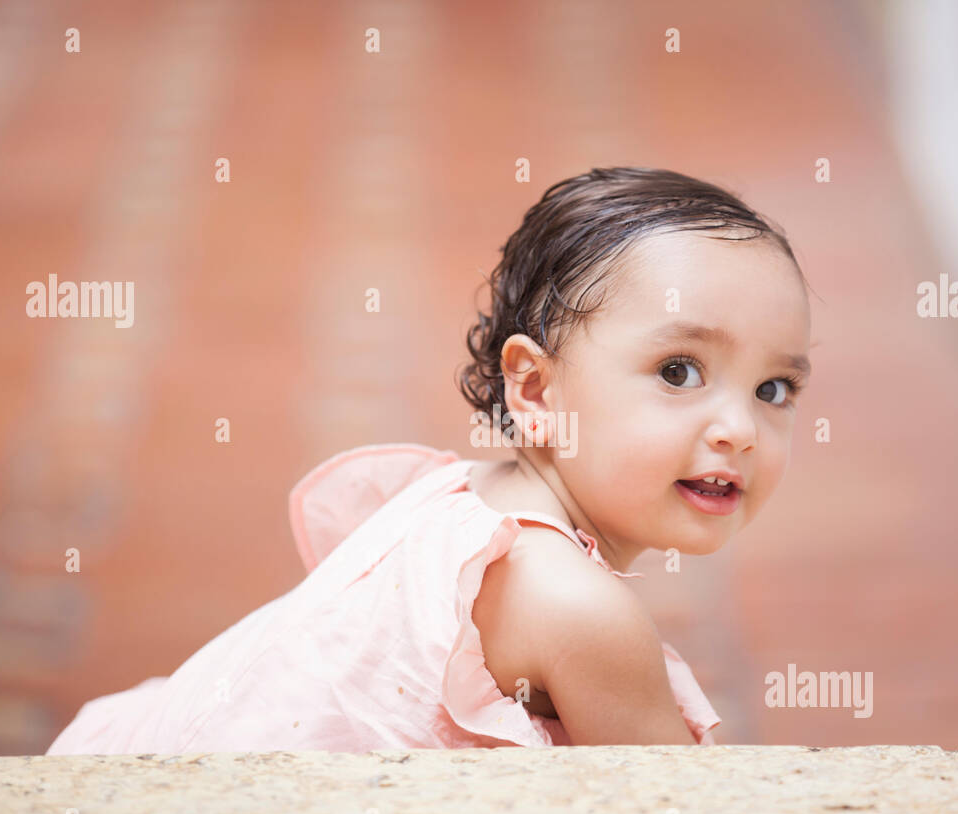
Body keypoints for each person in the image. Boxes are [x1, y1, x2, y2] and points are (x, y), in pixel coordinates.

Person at [46, 166, 812, 755]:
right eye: (679, 371)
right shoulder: (580, 612)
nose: (740, 428)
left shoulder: (470, 496)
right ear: (536, 388)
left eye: (774, 387)